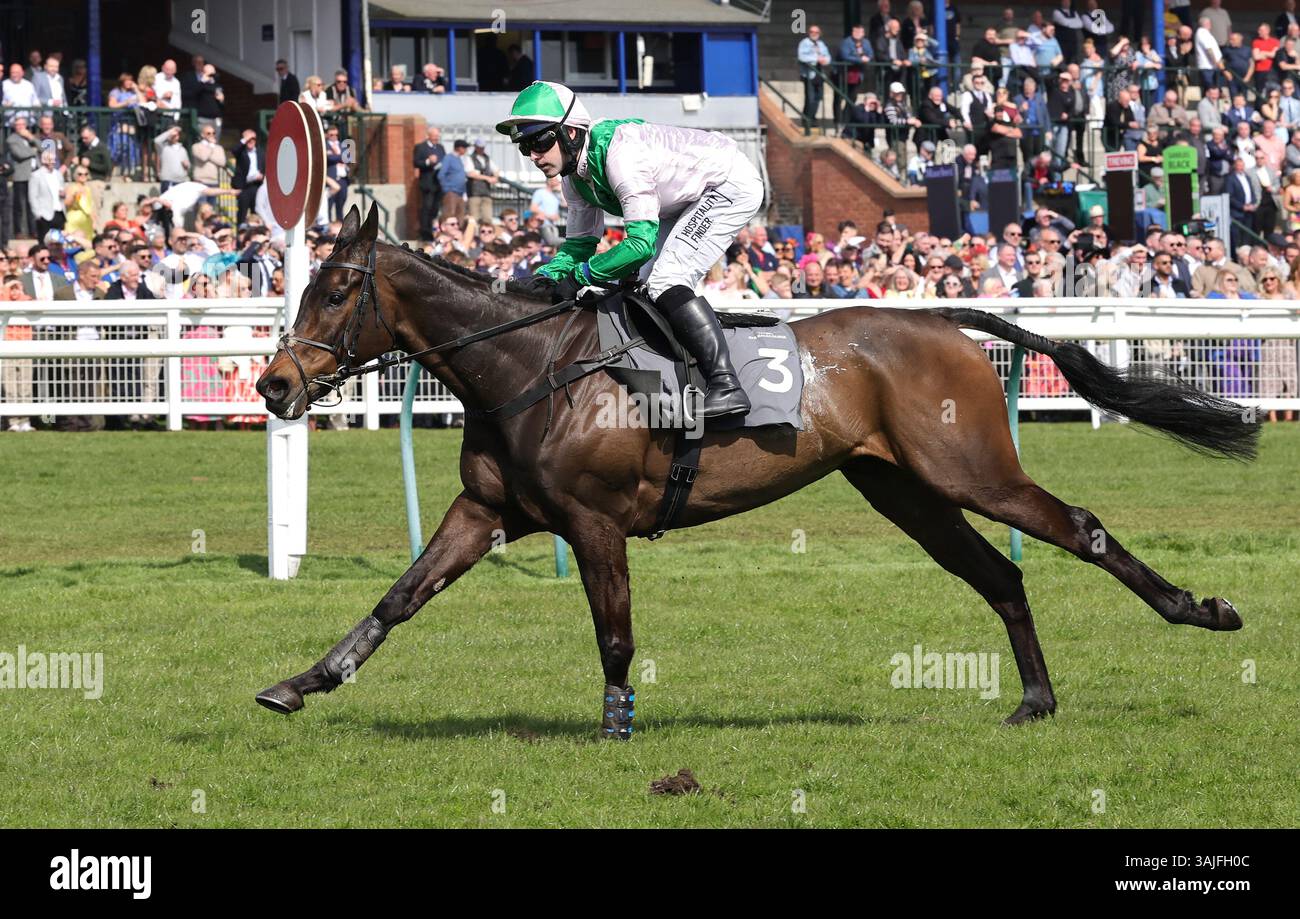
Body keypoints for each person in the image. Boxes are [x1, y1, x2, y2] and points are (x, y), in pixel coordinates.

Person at [496, 80, 762, 418]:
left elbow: (639, 245)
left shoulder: (620, 155)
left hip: (727, 185)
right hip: (683, 201)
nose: (533, 154)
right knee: (646, 287)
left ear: (572, 133)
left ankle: (727, 385)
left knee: (666, 280)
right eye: (525, 146)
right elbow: (579, 245)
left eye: (540, 140)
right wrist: (545, 277)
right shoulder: (572, 176)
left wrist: (579, 278)